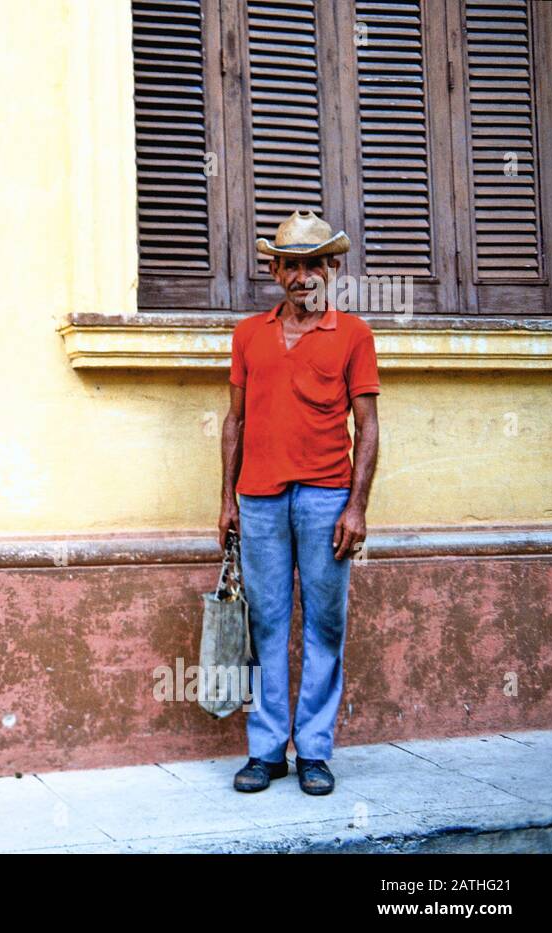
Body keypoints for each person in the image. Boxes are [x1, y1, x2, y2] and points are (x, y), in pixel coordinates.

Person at [218, 210, 380, 796]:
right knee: (266, 623)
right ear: (275, 270)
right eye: (291, 264)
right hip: (258, 499)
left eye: (314, 263)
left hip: (326, 498)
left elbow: (368, 425)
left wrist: (356, 506)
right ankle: (265, 752)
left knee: (325, 624)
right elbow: (233, 422)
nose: (302, 275)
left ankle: (313, 751)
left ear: (331, 267)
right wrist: (226, 501)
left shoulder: (354, 334)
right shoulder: (248, 334)